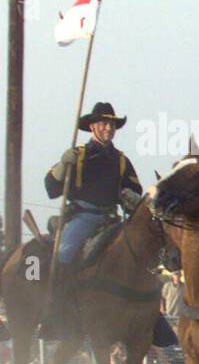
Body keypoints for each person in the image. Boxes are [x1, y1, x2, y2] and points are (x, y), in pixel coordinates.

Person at [38, 101, 142, 339]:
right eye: (104, 123)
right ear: (93, 126)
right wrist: (63, 165)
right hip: (83, 217)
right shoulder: (78, 156)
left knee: (138, 254)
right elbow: (51, 188)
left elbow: (135, 191)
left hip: (111, 219)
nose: (109, 128)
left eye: (112, 124)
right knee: (63, 254)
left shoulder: (122, 160)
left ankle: (147, 318)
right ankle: (56, 312)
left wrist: (131, 196)